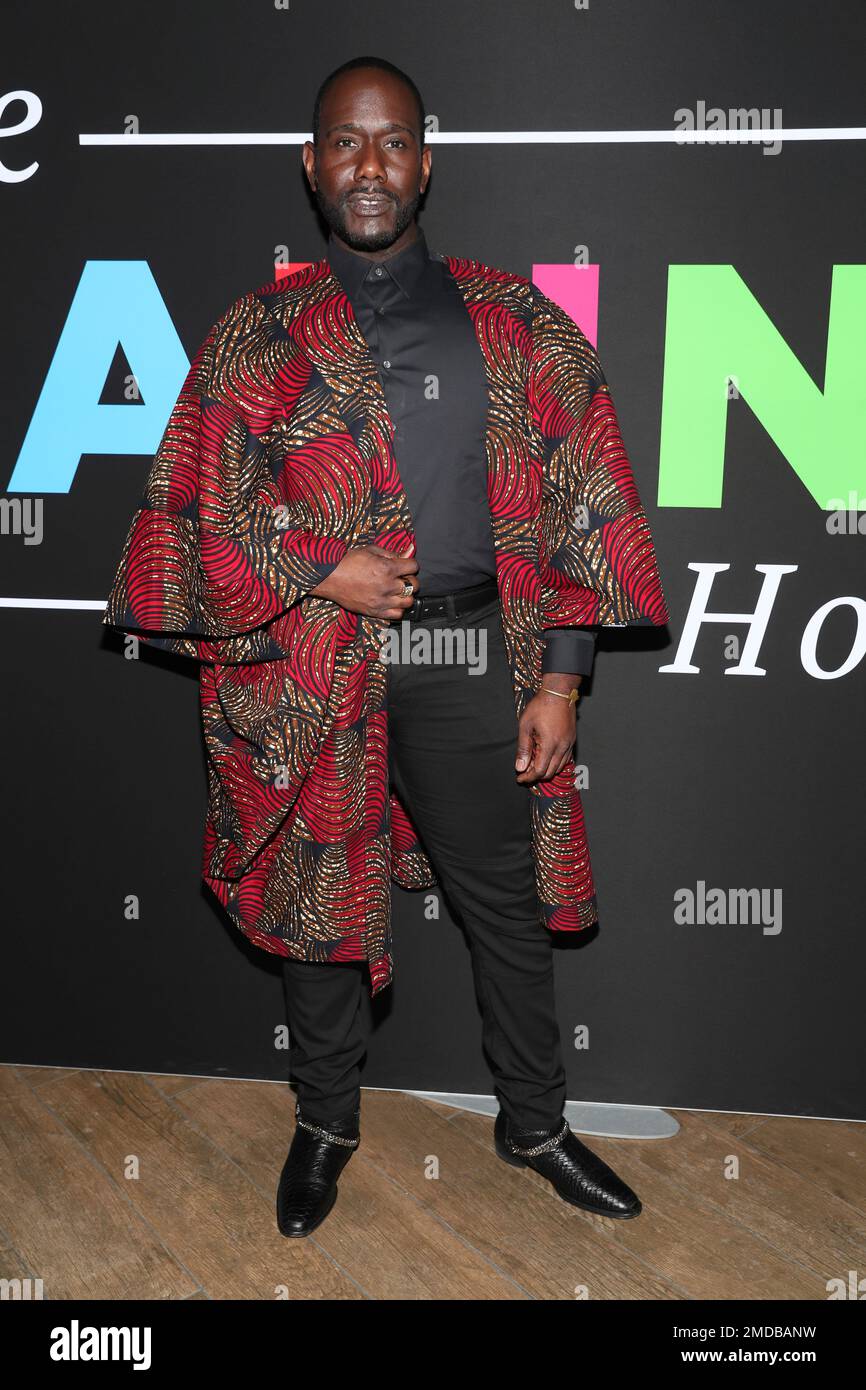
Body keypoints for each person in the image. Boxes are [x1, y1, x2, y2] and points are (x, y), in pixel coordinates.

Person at [102, 55, 669, 1240]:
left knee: (503, 905)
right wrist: (322, 564)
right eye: (344, 143)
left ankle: (534, 1122)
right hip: (312, 664)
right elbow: (190, 517)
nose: (369, 164)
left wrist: (561, 675)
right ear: (311, 168)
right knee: (319, 905)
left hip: (469, 658)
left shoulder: (511, 318)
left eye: (392, 140)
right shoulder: (254, 338)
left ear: (426, 160)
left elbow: (579, 498)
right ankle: (324, 1123)